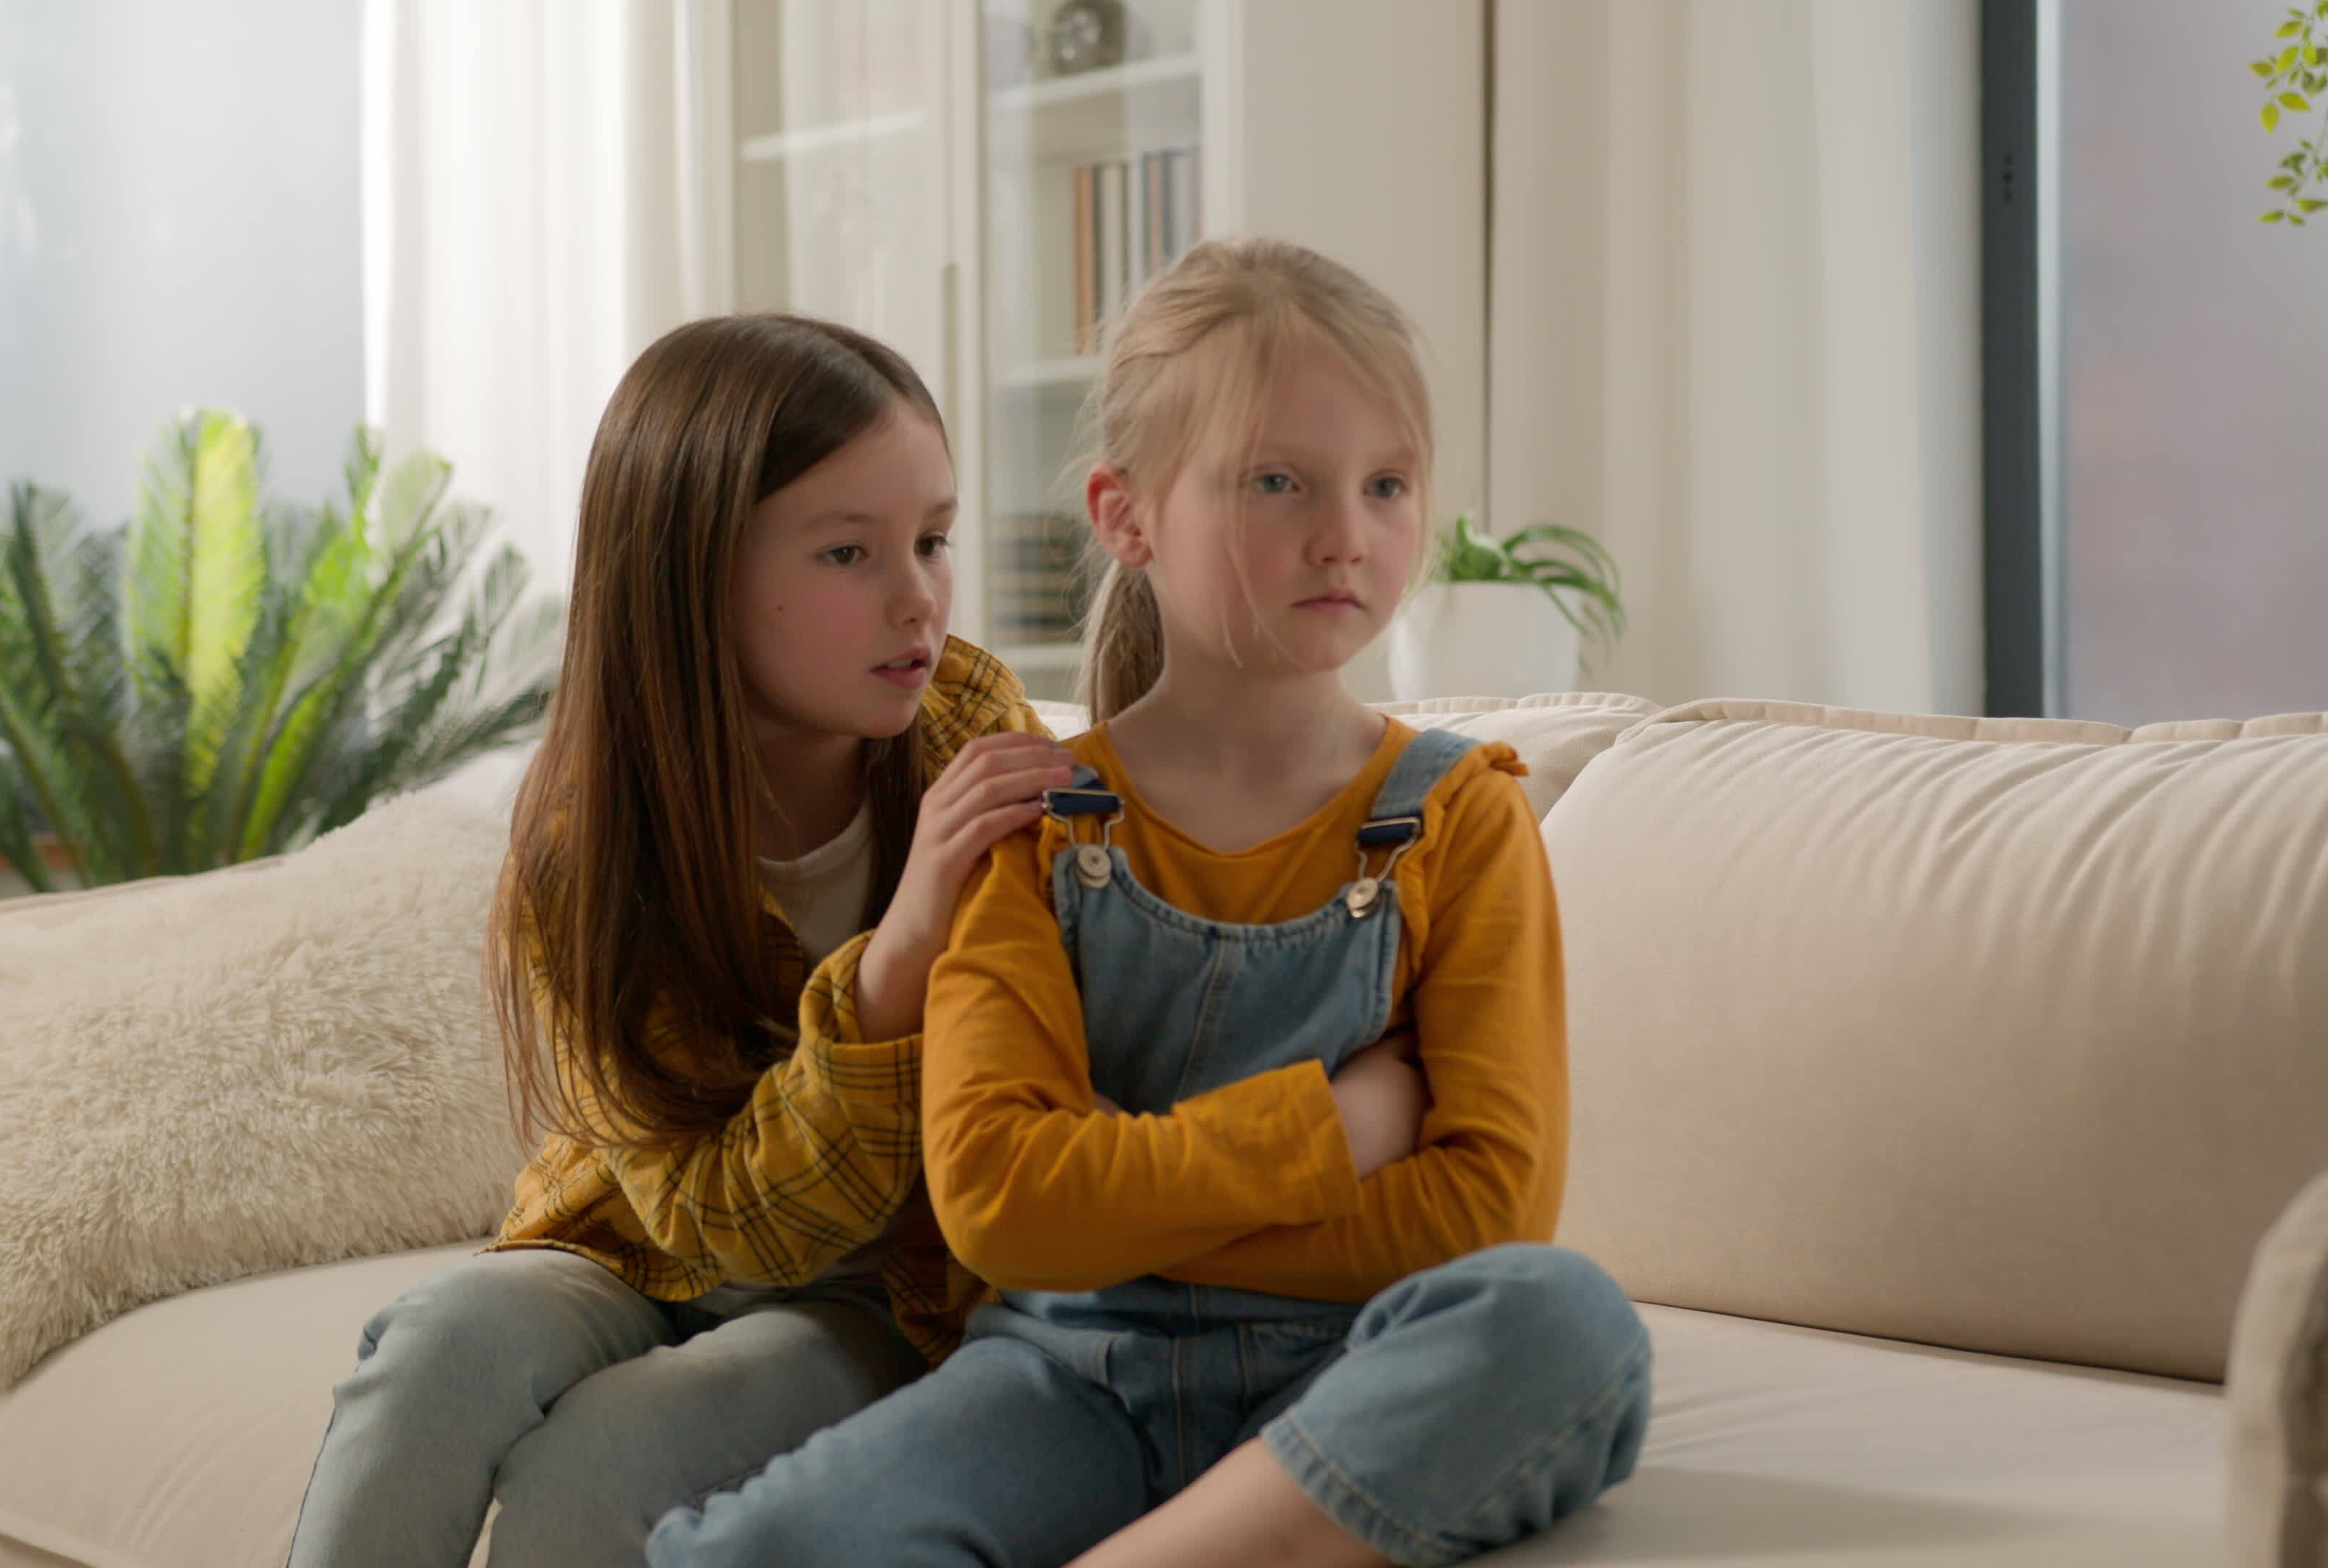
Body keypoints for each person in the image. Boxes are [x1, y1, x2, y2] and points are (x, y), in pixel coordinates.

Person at [648, 238, 1652, 1568]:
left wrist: (1122, 1203)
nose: (1346, 536)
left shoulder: (1465, 821)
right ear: (1126, 517)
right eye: (1277, 481)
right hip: (1068, 1378)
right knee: (751, 1551)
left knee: (1559, 1321)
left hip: (1352, 1374)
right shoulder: (1032, 823)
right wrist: (1336, 1131)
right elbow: (1002, 1207)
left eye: (1387, 484)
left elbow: (1488, 1214)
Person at [285, 312, 1073, 1568]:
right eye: (849, 552)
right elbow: (718, 1222)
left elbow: (840, 1226)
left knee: (612, 1454)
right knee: (439, 1346)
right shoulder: (588, 840)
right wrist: (896, 961)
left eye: (932, 540)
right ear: (691, 576)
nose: (917, 598)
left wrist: (918, 933)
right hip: (647, 1239)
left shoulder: (966, 734)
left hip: (886, 1284)